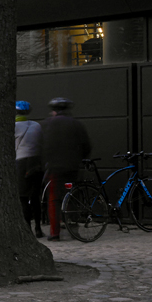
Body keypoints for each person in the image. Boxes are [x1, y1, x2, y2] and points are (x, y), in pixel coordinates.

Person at [38, 96, 91, 241]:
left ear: (53, 111)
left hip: (54, 170)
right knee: (72, 196)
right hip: (72, 169)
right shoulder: (76, 124)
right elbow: (86, 146)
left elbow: (40, 146)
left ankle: (54, 232)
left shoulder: (45, 124)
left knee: (54, 199)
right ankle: (74, 229)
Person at [13, 101, 44, 237]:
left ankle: (27, 230)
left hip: (21, 163)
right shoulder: (36, 125)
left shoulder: (13, 127)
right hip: (36, 162)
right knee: (35, 197)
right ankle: (38, 227)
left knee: (23, 197)